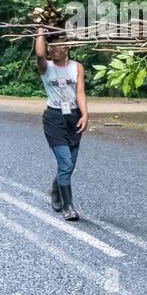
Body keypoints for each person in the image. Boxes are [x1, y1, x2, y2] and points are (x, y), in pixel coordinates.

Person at [33, 26, 88, 221]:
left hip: (73, 117)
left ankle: (55, 190)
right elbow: (39, 53)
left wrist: (85, 114)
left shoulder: (77, 67)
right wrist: (40, 30)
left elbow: (80, 92)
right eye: (50, 47)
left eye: (56, 47)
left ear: (66, 48)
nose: (51, 50)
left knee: (70, 165)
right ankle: (68, 206)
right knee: (65, 162)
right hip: (54, 119)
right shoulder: (46, 67)